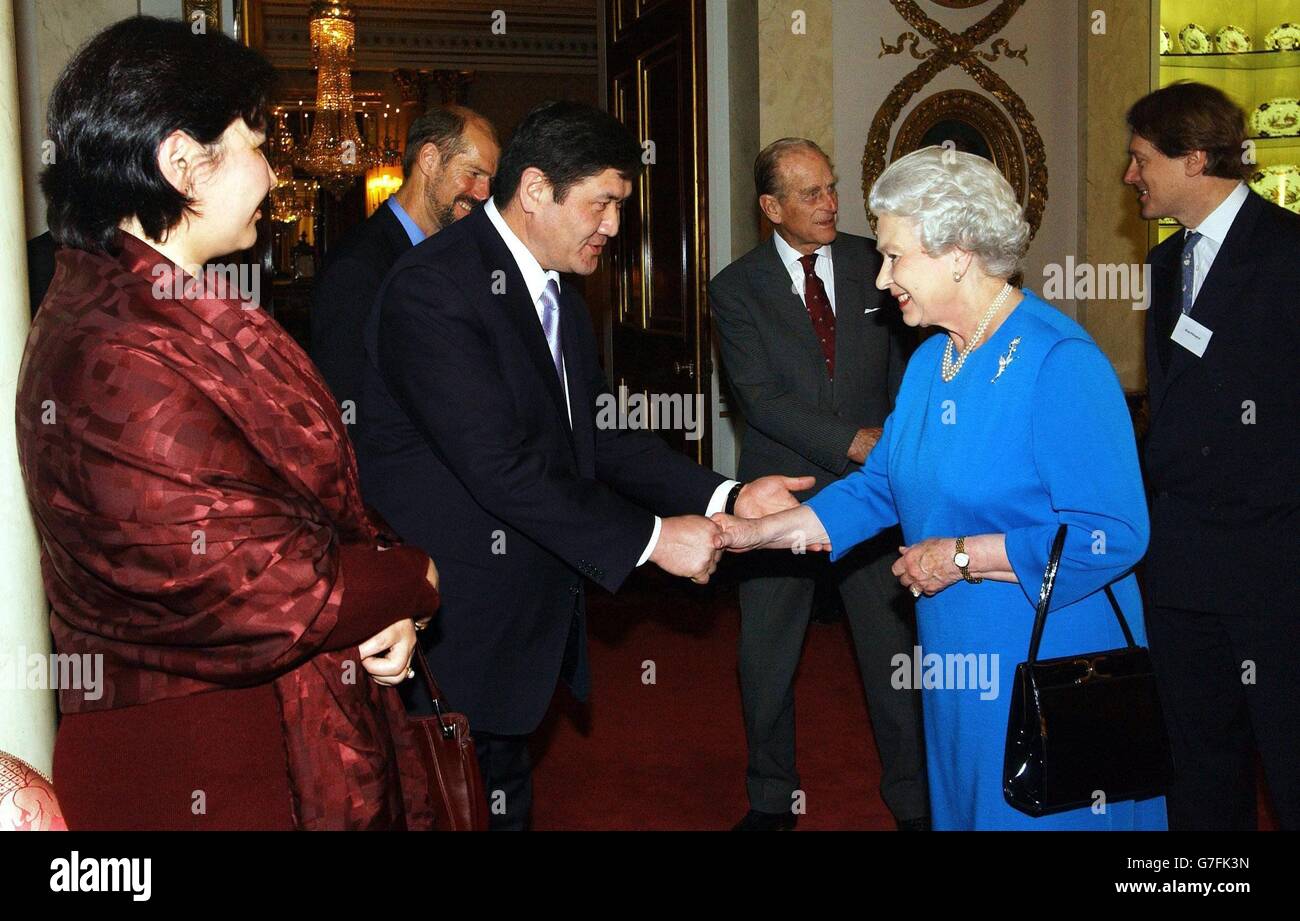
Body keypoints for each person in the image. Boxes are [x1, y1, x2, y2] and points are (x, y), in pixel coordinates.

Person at [16, 16, 440, 830]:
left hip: (236, 728)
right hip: (197, 762)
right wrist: (417, 578)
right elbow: (268, 589)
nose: (275, 173)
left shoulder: (144, 306)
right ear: (181, 162)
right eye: (254, 143)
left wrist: (382, 590)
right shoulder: (119, 349)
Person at [357, 100, 809, 830]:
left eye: (620, 206)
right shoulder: (434, 287)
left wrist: (725, 495)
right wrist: (656, 539)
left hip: (520, 624)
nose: (614, 228)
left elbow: (596, 433)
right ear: (535, 189)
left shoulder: (556, 285)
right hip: (453, 630)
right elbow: (503, 466)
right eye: (603, 203)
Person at [713, 147, 1167, 830]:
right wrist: (752, 532)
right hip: (957, 655)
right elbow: (880, 488)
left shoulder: (1059, 362)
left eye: (895, 256)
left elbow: (1115, 533)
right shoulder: (933, 360)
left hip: (1046, 657)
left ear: (958, 252)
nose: (882, 275)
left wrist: (962, 556)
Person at [710, 138, 928, 831]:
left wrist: (891, 446)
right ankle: (771, 797)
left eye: (832, 188)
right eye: (810, 193)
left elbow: (905, 364)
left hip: (875, 492)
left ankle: (915, 802)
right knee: (766, 660)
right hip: (781, 494)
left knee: (893, 661)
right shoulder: (735, 288)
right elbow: (760, 400)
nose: (830, 203)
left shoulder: (877, 263)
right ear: (771, 207)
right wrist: (853, 440)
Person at [1125, 81, 1300, 831]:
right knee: (1198, 766)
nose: (1129, 176)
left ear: (1194, 157)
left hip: (1273, 569)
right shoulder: (1166, 266)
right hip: (1182, 567)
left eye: (1140, 159)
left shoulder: (1290, 253)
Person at [310, 105, 499, 412]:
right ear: (429, 160)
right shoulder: (359, 266)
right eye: (474, 173)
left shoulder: (458, 259)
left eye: (489, 179)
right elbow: (346, 401)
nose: (483, 193)